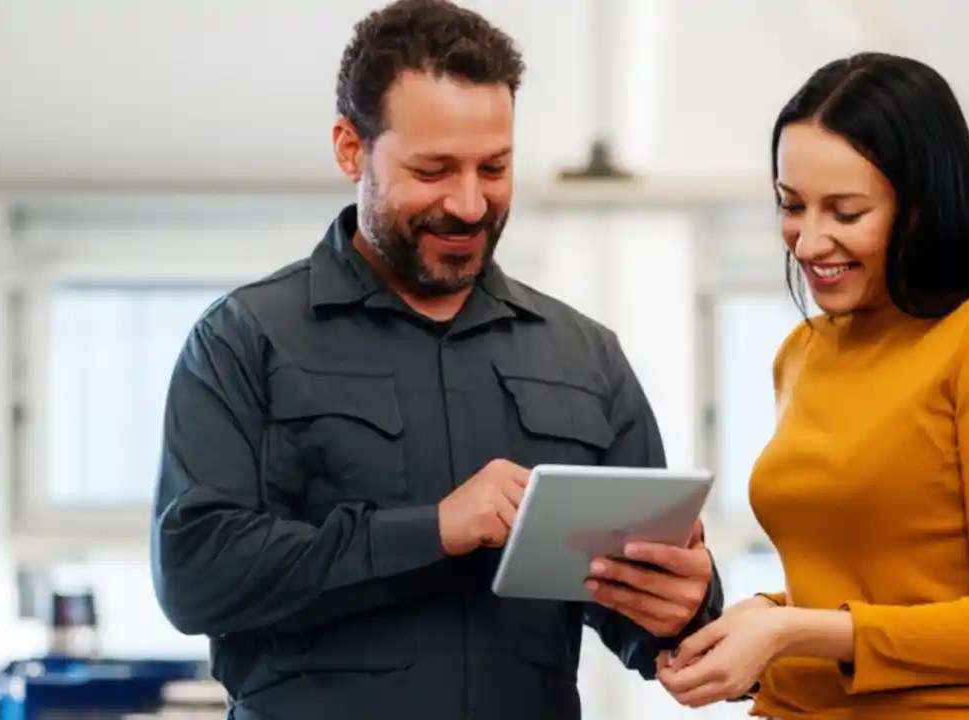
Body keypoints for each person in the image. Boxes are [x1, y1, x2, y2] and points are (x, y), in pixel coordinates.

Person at [149, 1, 722, 718]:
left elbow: (641, 608)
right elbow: (196, 573)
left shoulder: (585, 356)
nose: (470, 204)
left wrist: (687, 602)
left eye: (494, 167)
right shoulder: (243, 340)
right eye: (433, 169)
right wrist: (435, 530)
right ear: (351, 150)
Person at [655, 53, 969, 719]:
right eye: (792, 206)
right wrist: (757, 621)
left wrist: (787, 631)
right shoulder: (803, 351)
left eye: (846, 213)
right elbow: (848, 590)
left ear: (921, 207)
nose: (808, 242)